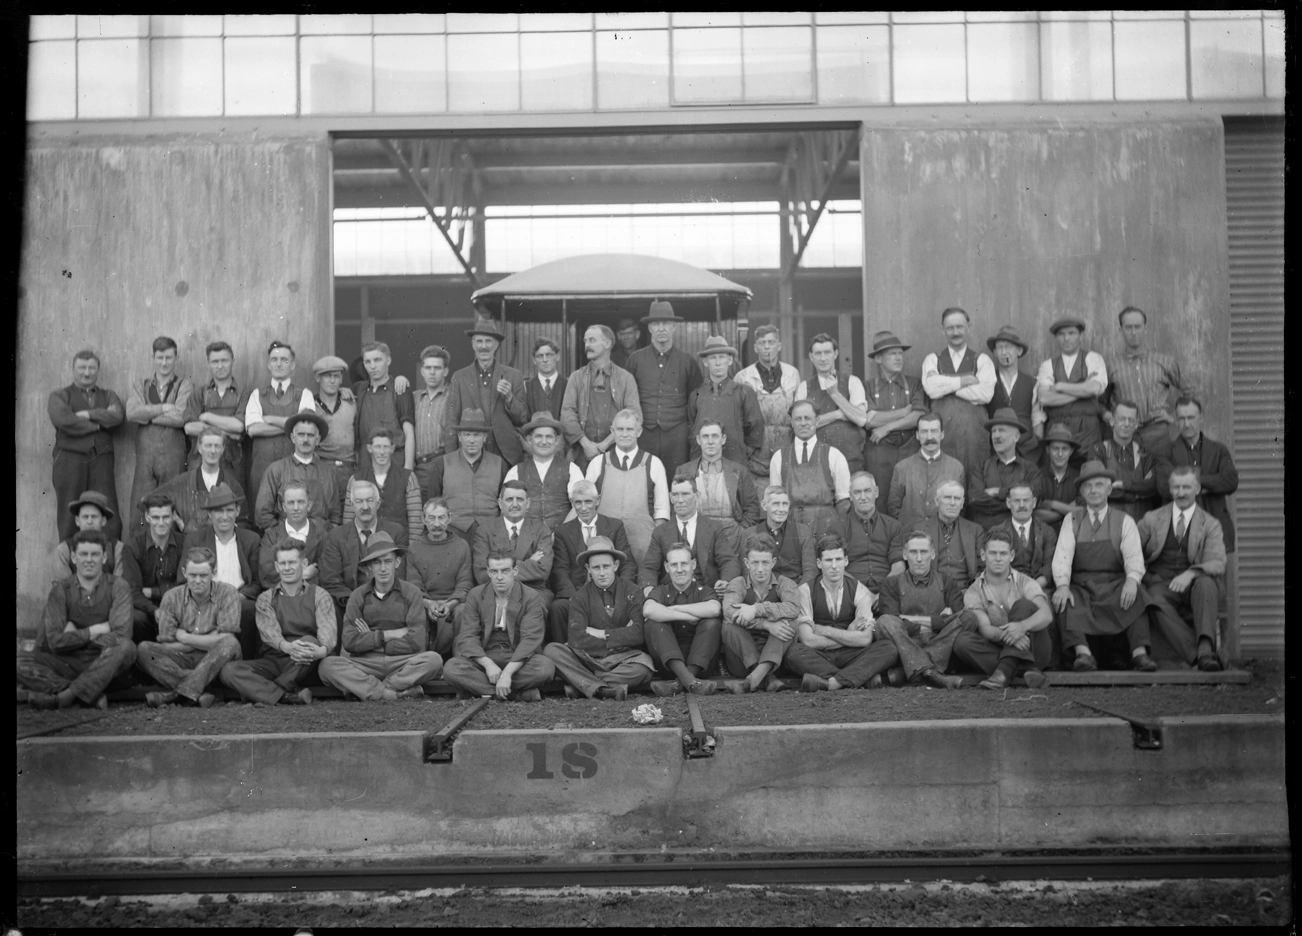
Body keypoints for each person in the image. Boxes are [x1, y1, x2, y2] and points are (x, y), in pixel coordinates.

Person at [1050, 460, 1158, 672]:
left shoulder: (1124, 520)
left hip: (1114, 583)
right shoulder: (1071, 519)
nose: (1093, 490)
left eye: (1099, 485)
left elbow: (1134, 556)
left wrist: (1131, 580)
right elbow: (1062, 556)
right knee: (1066, 598)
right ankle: (1083, 655)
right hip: (1082, 585)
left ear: (1109, 489)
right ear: (1081, 491)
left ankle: (1139, 654)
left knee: (1137, 595)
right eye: (1088, 486)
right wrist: (1062, 584)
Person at [18, 530, 136, 710]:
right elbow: (55, 641)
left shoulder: (118, 587)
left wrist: (74, 635)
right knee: (19, 661)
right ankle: (90, 692)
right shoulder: (60, 591)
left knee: (126, 648)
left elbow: (121, 634)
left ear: (104, 557)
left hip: (104, 660)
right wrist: (93, 631)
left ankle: (65, 697)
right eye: (83, 554)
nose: (89, 560)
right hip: (68, 662)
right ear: (73, 557)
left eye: (95, 554)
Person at [319, 532, 441, 702]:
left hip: (401, 663)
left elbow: (416, 641)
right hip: (366, 663)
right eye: (377, 562)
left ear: (397, 562)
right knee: (327, 666)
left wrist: (371, 639)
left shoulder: (411, 593)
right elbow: (349, 641)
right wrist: (389, 634)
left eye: (388, 561)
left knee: (433, 661)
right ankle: (392, 693)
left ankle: (372, 689)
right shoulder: (358, 596)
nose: (383, 568)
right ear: (370, 567)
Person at [220, 538, 336, 705]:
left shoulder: (320, 595)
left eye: (292, 562)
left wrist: (321, 651)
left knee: (309, 641)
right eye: (282, 563)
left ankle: (262, 692)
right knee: (228, 670)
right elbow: (270, 634)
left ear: (303, 564)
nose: (287, 568)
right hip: (273, 660)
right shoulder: (265, 599)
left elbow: (327, 630)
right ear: (276, 566)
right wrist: (287, 647)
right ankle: (285, 695)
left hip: (304, 662)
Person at [1137, 466, 1227, 671]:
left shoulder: (1210, 523)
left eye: (1186, 487)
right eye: (1176, 487)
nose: (1181, 493)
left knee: (1206, 584)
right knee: (1153, 602)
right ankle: (1197, 656)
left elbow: (1217, 562)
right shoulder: (1152, 518)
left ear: (1197, 488)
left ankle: (1205, 647)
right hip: (1160, 582)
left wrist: (1190, 573)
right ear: (1170, 490)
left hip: (1193, 583)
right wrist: (1144, 576)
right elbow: (1131, 551)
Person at [543, 536, 654, 700]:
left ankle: (583, 685)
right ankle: (603, 688)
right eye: (596, 568)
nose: (602, 573)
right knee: (552, 650)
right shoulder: (580, 598)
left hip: (623, 658)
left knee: (643, 668)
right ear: (588, 568)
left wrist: (602, 633)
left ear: (615, 565)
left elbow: (638, 634)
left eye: (606, 566)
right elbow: (577, 639)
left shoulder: (633, 592)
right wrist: (622, 635)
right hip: (588, 659)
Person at [136, 547, 242, 708]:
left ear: (214, 572)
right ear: (185, 572)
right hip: (183, 658)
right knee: (144, 650)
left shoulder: (228, 593)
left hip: (218, 658)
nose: (198, 581)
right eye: (193, 575)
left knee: (230, 644)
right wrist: (210, 639)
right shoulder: (171, 597)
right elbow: (166, 644)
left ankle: (175, 695)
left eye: (203, 575)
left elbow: (228, 640)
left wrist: (185, 637)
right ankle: (201, 690)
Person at [443, 552, 555, 701]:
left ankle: (480, 691)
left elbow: (530, 639)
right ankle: (517, 694)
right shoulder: (476, 595)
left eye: (505, 571)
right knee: (452, 668)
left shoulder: (531, 596)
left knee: (545, 668)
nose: (500, 577)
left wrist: (507, 673)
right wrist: (488, 665)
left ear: (515, 571)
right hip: (485, 653)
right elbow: (468, 636)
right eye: (494, 571)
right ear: (488, 572)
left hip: (516, 655)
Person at [786, 533, 889, 692]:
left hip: (852, 654)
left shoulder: (859, 590)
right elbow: (808, 640)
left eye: (838, 559)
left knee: (887, 647)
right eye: (828, 560)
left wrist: (823, 630)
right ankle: (858, 677)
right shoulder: (805, 590)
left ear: (846, 561)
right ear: (819, 563)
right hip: (820, 654)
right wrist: (848, 633)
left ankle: (831, 683)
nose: (834, 566)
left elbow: (866, 638)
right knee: (793, 652)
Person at [953, 529, 1053, 689]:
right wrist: (1012, 636)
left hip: (1034, 649)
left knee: (1023, 605)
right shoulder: (974, 590)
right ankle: (1023, 669)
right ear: (983, 555)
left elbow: (1046, 614)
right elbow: (985, 628)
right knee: (962, 642)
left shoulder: (1025, 582)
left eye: (1003, 553)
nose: (998, 559)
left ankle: (1004, 671)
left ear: (1011, 556)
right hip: (1001, 647)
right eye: (992, 553)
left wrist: (1022, 627)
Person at [872, 531, 970, 690]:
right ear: (905, 554)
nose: (918, 558)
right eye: (913, 552)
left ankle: (909, 669)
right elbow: (892, 621)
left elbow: (959, 617)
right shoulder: (891, 583)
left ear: (932, 554)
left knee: (969, 617)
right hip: (906, 641)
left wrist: (907, 620)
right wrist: (938, 621)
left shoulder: (947, 581)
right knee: (884, 622)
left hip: (938, 642)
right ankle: (931, 673)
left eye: (923, 552)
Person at [49, 349, 125, 542]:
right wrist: (99, 424)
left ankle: (109, 565)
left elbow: (117, 416)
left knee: (108, 513)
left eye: (91, 368)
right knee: (69, 515)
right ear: (73, 369)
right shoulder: (60, 395)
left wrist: (88, 414)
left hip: (101, 459)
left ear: (98, 370)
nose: (87, 373)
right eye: (82, 368)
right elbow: (63, 420)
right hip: (69, 460)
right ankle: (70, 566)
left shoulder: (109, 395)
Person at [548, 480, 636, 644]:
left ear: (598, 500)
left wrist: (621, 592)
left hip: (610, 592)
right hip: (578, 593)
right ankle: (564, 652)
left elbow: (628, 563)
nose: (583, 508)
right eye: (578, 503)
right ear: (572, 503)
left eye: (588, 501)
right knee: (557, 608)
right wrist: (575, 599)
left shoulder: (615, 526)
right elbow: (560, 570)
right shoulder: (563, 532)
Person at [624, 300, 702, 479]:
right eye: (656, 324)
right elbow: (627, 399)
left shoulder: (687, 362)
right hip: (644, 433)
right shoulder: (635, 360)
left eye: (666, 323)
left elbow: (695, 402)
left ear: (674, 326)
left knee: (676, 482)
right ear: (650, 328)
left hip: (677, 436)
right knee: (643, 480)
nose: (661, 328)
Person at [182, 484, 261, 660]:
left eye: (229, 510)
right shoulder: (195, 539)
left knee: (249, 610)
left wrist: (233, 599)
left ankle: (244, 664)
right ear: (210, 514)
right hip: (205, 599)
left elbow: (256, 583)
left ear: (237, 511)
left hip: (240, 600)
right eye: (218, 511)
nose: (224, 517)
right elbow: (184, 580)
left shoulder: (251, 540)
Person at [584, 408, 670, 565]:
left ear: (639, 431)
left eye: (630, 429)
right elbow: (585, 506)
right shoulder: (598, 463)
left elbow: (662, 511)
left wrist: (653, 545)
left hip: (642, 542)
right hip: (605, 541)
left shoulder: (653, 463)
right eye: (620, 429)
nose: (624, 434)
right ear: (612, 431)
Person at [1108, 306, 1191, 462]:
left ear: (1145, 328)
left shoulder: (1165, 362)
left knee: (1160, 478)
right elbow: (1101, 403)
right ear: (1121, 330)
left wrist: (1173, 417)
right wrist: (1113, 420)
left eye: (1138, 327)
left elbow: (1191, 392)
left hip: (1158, 433)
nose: (1133, 332)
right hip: (1126, 435)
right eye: (1128, 327)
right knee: (1129, 480)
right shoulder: (1112, 366)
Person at [443, 318, 529, 467]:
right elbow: (452, 421)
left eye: (488, 341)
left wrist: (509, 398)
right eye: (479, 341)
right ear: (473, 344)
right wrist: (451, 460)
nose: (484, 346)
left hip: (506, 455)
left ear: (496, 345)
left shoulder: (513, 375)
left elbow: (522, 418)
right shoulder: (459, 377)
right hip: (470, 455)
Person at [126, 336, 194, 525]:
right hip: (145, 457)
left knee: (174, 504)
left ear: (176, 358)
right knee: (140, 508)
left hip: (174, 455)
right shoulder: (142, 385)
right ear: (153, 358)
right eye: (160, 358)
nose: (164, 363)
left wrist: (146, 415)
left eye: (169, 358)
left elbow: (181, 416)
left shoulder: (184, 385)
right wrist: (164, 408)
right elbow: (131, 413)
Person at [921, 307, 995, 478]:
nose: (956, 332)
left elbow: (985, 394)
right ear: (942, 330)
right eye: (950, 328)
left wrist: (946, 386)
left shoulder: (982, 360)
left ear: (968, 327)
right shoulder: (932, 359)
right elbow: (932, 389)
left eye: (960, 327)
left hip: (974, 440)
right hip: (943, 439)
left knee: (975, 485)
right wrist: (964, 381)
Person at [720, 536, 801, 694]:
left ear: (773, 562)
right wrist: (766, 625)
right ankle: (765, 677)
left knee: (791, 624)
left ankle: (752, 681)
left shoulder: (785, 584)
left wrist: (757, 609)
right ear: (746, 563)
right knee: (728, 627)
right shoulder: (738, 584)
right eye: (755, 562)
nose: (760, 569)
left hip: (776, 660)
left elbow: (794, 608)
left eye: (765, 562)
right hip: (743, 660)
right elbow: (730, 612)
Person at [319, 480, 408, 621]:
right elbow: (331, 580)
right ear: (351, 504)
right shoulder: (336, 537)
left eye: (370, 501)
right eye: (359, 501)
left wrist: (379, 602)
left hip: (388, 599)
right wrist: (356, 604)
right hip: (349, 603)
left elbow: (400, 575)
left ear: (378, 504)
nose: (365, 507)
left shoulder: (395, 532)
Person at [639, 475, 741, 599]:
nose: (680, 500)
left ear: (697, 496)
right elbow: (649, 567)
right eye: (675, 495)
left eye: (685, 494)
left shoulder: (714, 528)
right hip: (671, 596)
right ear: (670, 497)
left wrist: (725, 581)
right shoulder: (660, 532)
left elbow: (728, 561)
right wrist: (649, 588)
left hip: (706, 594)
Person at [642, 542, 723, 697]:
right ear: (666, 567)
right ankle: (690, 681)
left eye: (684, 564)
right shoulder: (661, 591)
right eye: (674, 565)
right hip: (668, 666)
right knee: (653, 623)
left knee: (712, 622)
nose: (679, 570)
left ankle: (683, 682)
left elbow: (714, 608)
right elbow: (648, 609)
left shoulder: (703, 591)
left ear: (693, 564)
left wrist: (673, 609)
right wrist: (686, 616)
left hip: (701, 665)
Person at [1160, 397, 1239, 553]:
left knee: (1215, 574)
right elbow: (1164, 487)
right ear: (1175, 420)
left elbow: (1230, 481)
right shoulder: (1166, 451)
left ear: (1201, 418)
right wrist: (1209, 485)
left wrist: (1193, 482)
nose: (1187, 424)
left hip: (1215, 526)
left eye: (1191, 418)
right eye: (1181, 418)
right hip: (1180, 532)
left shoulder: (1218, 450)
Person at [241, 340, 317, 504]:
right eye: (274, 360)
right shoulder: (257, 394)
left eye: (284, 360)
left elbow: (306, 426)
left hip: (295, 467)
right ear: (268, 364)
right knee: (262, 510)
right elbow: (253, 429)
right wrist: (292, 424)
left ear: (293, 365)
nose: (279, 364)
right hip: (262, 467)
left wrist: (272, 420)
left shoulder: (304, 394)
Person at [862, 330, 928, 513]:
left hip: (909, 448)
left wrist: (887, 426)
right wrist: (904, 412)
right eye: (892, 354)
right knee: (880, 498)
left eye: (900, 353)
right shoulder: (867, 386)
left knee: (911, 499)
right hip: (879, 452)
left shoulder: (915, 384)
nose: (898, 358)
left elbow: (918, 416)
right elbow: (868, 419)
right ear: (878, 359)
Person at [147, 427, 253, 536]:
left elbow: (244, 522)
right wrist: (179, 522)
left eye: (217, 446)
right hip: (190, 546)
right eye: (208, 445)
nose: (213, 451)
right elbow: (150, 501)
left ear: (223, 449)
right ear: (199, 448)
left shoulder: (233, 485)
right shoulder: (182, 482)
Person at [560, 325, 639, 470]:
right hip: (582, 454)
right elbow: (567, 414)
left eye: (592, 340)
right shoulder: (576, 377)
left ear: (607, 344)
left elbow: (635, 415)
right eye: (585, 341)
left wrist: (605, 445)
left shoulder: (626, 378)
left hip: (617, 452)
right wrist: (585, 444)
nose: (587, 345)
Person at [769, 399, 851, 536]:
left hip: (827, 530)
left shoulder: (834, 455)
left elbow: (843, 503)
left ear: (817, 421)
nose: (803, 423)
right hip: (791, 531)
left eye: (807, 418)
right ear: (791, 422)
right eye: (798, 419)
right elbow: (775, 502)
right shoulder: (779, 457)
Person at [734, 325, 802, 488]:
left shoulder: (792, 374)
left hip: (786, 446)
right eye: (762, 343)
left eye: (771, 342)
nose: (766, 347)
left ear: (779, 346)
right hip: (755, 452)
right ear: (755, 347)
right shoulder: (743, 377)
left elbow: (799, 411)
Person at [404, 497, 473, 659]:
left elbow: (465, 583)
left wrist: (451, 603)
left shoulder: (461, 546)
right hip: (425, 603)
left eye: (441, 518)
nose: (436, 524)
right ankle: (421, 663)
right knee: (413, 611)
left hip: (454, 603)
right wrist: (428, 604)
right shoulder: (414, 548)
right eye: (431, 518)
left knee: (464, 612)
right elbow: (414, 585)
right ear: (423, 519)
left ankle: (461, 662)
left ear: (449, 518)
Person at [426, 409, 507, 542]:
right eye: (467, 434)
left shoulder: (499, 464)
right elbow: (432, 502)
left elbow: (506, 503)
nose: (472, 440)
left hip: (491, 534)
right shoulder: (443, 464)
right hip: (453, 533)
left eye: (477, 435)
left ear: (485, 437)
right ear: (459, 436)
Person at [679, 421, 762, 551]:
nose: (710, 441)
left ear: (723, 439)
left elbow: (752, 509)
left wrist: (740, 533)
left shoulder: (739, 471)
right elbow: (677, 509)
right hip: (695, 537)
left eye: (715, 436)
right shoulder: (684, 471)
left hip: (732, 538)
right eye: (705, 436)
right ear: (698, 440)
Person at [688, 335, 765, 475]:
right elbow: (692, 428)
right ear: (705, 362)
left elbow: (755, 427)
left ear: (730, 360)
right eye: (712, 358)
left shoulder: (744, 392)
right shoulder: (697, 395)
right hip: (703, 463)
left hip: (735, 461)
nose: (718, 363)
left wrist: (740, 450)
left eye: (722, 357)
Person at [471, 480, 555, 605]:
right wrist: (529, 563)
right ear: (500, 503)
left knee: (535, 605)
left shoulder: (541, 530)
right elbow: (482, 573)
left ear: (528, 503)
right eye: (509, 499)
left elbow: (542, 570)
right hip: (494, 590)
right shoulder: (485, 531)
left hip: (533, 590)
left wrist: (500, 570)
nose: (515, 504)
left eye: (520, 499)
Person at [255, 411, 343, 532]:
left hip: (322, 541)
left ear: (317, 440)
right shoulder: (276, 470)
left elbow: (335, 516)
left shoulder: (328, 472)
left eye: (310, 435)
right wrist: (281, 540)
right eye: (301, 434)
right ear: (293, 438)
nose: (305, 439)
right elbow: (263, 514)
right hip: (285, 542)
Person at [795, 332, 868, 474]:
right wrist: (837, 415)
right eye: (818, 354)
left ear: (835, 354)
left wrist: (835, 394)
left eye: (827, 352)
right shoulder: (804, 387)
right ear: (811, 357)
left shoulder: (852, 382)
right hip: (816, 462)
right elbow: (800, 426)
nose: (823, 358)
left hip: (850, 461)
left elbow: (861, 419)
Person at [1037, 317, 1108, 459]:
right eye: (1061, 334)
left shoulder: (1093, 358)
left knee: (1090, 471)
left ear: (1081, 336)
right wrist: (1082, 390)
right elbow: (1044, 398)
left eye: (1071, 333)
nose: (1066, 338)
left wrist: (1059, 386)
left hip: (1088, 430)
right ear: (1057, 338)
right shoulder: (1048, 365)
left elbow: (1094, 388)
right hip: (1057, 430)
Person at [886, 412, 965, 532]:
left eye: (934, 431)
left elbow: (960, 508)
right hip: (912, 538)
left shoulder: (956, 467)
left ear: (942, 434)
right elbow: (894, 508)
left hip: (944, 538)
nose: (929, 437)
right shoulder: (902, 468)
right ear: (917, 435)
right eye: (924, 432)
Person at [966, 408, 1043, 531]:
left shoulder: (1030, 470)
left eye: (1001, 430)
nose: (996, 436)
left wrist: (998, 492)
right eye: (994, 431)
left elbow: (1033, 500)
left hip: (1018, 536)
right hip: (986, 535)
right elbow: (975, 499)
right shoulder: (980, 468)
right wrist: (1015, 502)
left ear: (1016, 437)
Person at [504, 412, 584, 530]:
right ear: (529, 440)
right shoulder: (515, 471)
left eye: (549, 437)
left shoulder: (572, 469)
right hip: (527, 538)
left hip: (563, 540)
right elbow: (508, 509)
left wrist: (561, 534)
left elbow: (579, 506)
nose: (544, 441)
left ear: (556, 440)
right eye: (538, 436)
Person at [182, 340, 246, 488]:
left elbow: (238, 426)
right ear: (208, 363)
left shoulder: (242, 393)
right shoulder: (199, 393)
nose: (220, 366)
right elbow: (189, 428)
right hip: (200, 462)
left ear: (232, 361)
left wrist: (207, 417)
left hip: (232, 462)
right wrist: (226, 431)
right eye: (215, 361)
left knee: (229, 504)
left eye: (224, 361)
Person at [122, 492, 183, 643]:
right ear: (147, 517)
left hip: (178, 605)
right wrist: (154, 610)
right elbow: (133, 591)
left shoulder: (184, 542)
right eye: (156, 517)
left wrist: (152, 591)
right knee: (136, 619)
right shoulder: (133, 546)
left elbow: (184, 585)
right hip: (146, 608)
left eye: (166, 517)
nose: (161, 523)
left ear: (173, 516)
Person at [342, 428, 423, 540]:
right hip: (365, 548)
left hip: (398, 546)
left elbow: (416, 524)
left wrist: (409, 554)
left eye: (386, 447)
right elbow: (348, 521)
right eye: (377, 447)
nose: (382, 452)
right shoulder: (355, 480)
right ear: (369, 448)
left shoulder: (409, 478)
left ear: (392, 448)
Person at [835, 472, 905, 598]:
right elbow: (836, 568)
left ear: (876, 492)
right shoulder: (838, 528)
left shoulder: (893, 526)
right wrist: (862, 594)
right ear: (850, 496)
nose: (863, 497)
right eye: (857, 492)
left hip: (887, 592)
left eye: (867, 491)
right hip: (850, 593)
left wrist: (884, 593)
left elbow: (898, 566)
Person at [1089, 399, 1159, 520]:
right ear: (1112, 421)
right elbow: (1098, 488)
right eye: (1121, 419)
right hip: (1108, 521)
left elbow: (1152, 486)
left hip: (1140, 522)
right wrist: (1137, 493)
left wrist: (1123, 485)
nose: (1126, 424)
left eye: (1131, 420)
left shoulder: (1145, 453)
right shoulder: (1098, 450)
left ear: (1136, 424)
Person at [354, 341, 416, 476]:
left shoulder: (400, 390)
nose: (372, 366)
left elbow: (409, 433)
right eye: (367, 362)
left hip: (394, 466)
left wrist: (408, 470)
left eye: (377, 360)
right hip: (366, 465)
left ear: (388, 360)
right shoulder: (360, 390)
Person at [985, 325, 1043, 464]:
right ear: (994, 352)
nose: (1004, 352)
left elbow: (1037, 418)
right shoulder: (988, 381)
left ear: (1019, 350)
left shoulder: (1032, 382)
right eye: (1000, 348)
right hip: (997, 448)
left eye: (1009, 347)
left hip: (1026, 449)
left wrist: (1035, 442)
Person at [983, 483, 1057, 591]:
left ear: (1034, 503)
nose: (1022, 505)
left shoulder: (1047, 532)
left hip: (1038, 588)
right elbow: (992, 568)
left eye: (1026, 500)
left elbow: (1048, 569)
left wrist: (1031, 588)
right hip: (1004, 589)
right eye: (1016, 501)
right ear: (1008, 503)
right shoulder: (996, 532)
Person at [257, 481, 328, 589]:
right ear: (284, 507)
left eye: (300, 502)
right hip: (280, 600)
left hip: (314, 599)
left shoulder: (323, 536)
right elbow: (267, 576)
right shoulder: (270, 538)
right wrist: (303, 575)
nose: (296, 508)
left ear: (309, 505)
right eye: (290, 502)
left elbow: (328, 574)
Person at [915, 481, 983, 592]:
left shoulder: (975, 530)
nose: (952, 503)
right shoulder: (920, 529)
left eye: (957, 498)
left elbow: (983, 568)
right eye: (947, 497)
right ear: (937, 501)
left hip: (966, 592)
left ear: (962, 503)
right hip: (930, 592)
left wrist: (972, 591)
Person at [744, 486, 816, 586]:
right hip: (764, 592)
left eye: (785, 504)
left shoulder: (803, 532)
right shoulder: (750, 534)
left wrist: (801, 592)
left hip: (796, 590)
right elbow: (746, 571)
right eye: (776, 504)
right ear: (764, 505)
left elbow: (810, 571)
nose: (781, 509)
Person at [312, 355, 360, 499]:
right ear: (317, 378)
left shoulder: (351, 403)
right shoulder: (310, 404)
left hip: (348, 468)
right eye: (327, 376)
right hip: (321, 468)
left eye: (336, 376)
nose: (332, 381)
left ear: (341, 379)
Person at [52, 491, 125, 584]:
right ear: (77, 521)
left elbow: (118, 587)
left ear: (103, 521)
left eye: (94, 517)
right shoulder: (64, 550)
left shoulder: (117, 549)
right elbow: (63, 589)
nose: (89, 521)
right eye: (85, 517)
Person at [412, 345, 451, 500]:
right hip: (418, 467)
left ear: (446, 371)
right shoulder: (414, 398)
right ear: (422, 371)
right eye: (428, 368)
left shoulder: (454, 397)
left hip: (442, 464)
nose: (432, 372)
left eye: (437, 368)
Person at [1033, 423, 1081, 531]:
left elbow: (1084, 513)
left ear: (1071, 451)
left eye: (1064, 449)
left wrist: (1053, 505)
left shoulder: (1079, 478)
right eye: (1055, 448)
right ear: (1047, 449)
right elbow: (1034, 515)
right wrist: (1068, 509)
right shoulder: (1036, 476)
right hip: (1042, 539)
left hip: (1072, 538)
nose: (1060, 454)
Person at [524, 337, 567, 427]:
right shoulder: (527, 387)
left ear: (557, 356)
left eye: (549, 355)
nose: (545, 360)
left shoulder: (568, 384)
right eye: (540, 356)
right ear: (534, 360)